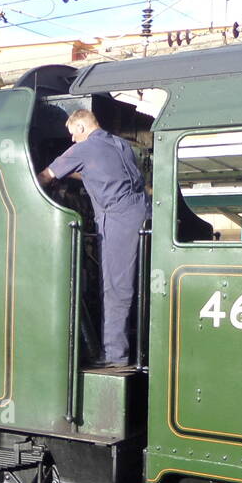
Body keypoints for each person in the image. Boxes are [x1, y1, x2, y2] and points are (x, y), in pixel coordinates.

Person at [39, 109, 150, 369]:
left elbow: (45, 177)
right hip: (143, 212)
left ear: (81, 128)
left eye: (72, 135)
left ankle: (115, 356)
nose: (72, 141)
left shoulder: (83, 148)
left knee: (115, 289)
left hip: (117, 218)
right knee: (138, 287)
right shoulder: (120, 144)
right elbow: (104, 171)